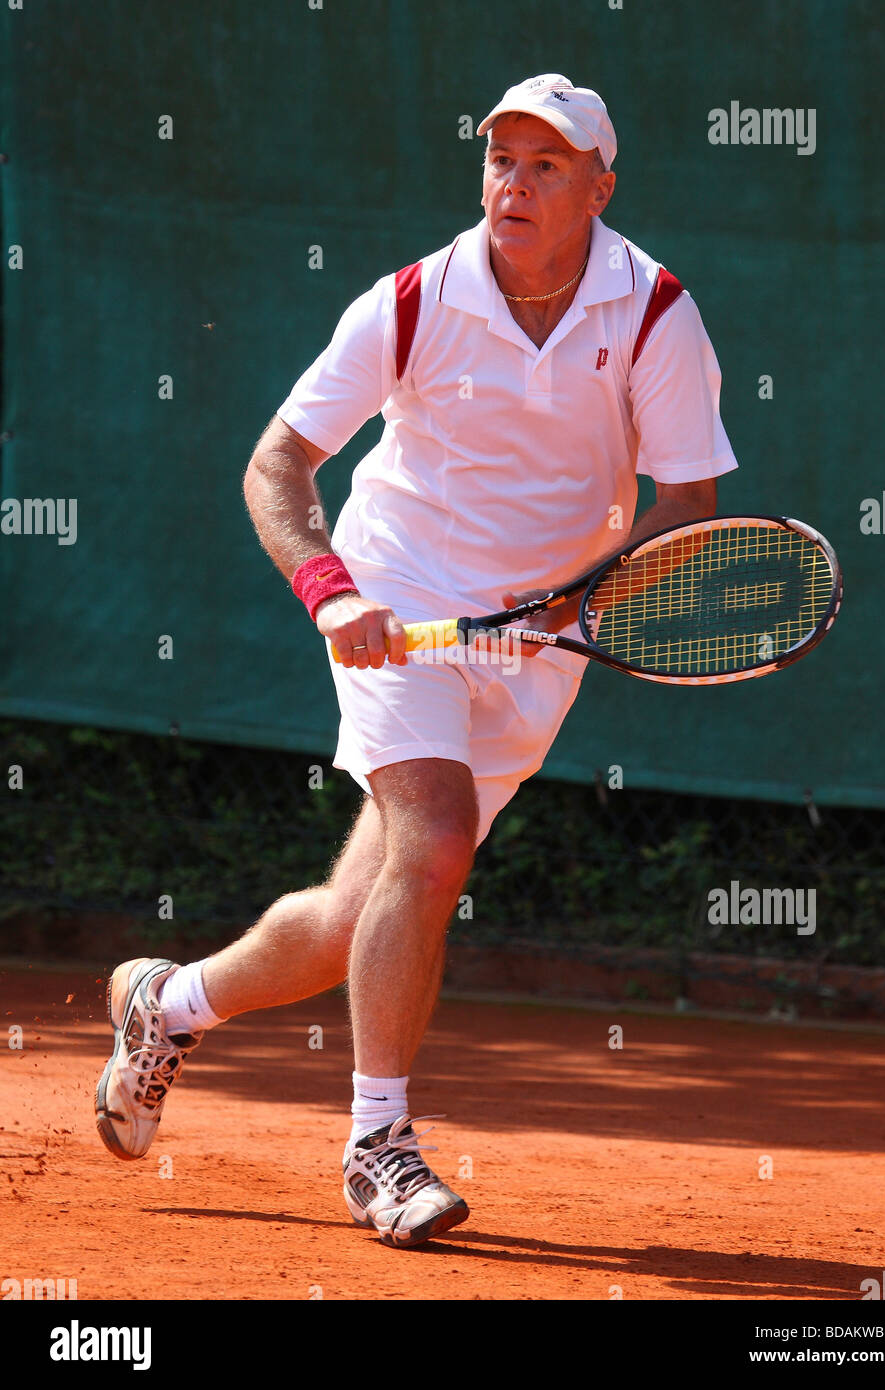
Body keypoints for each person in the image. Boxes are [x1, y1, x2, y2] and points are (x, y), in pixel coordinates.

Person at [94, 75, 738, 1249]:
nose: (515, 182)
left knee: (361, 912)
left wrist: (575, 602)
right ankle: (377, 1147)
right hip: (400, 596)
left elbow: (686, 502)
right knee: (435, 843)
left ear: (602, 185)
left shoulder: (653, 312)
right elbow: (275, 466)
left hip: (542, 639)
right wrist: (332, 592)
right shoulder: (411, 301)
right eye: (501, 157)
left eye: (548, 165)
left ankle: (166, 1001)